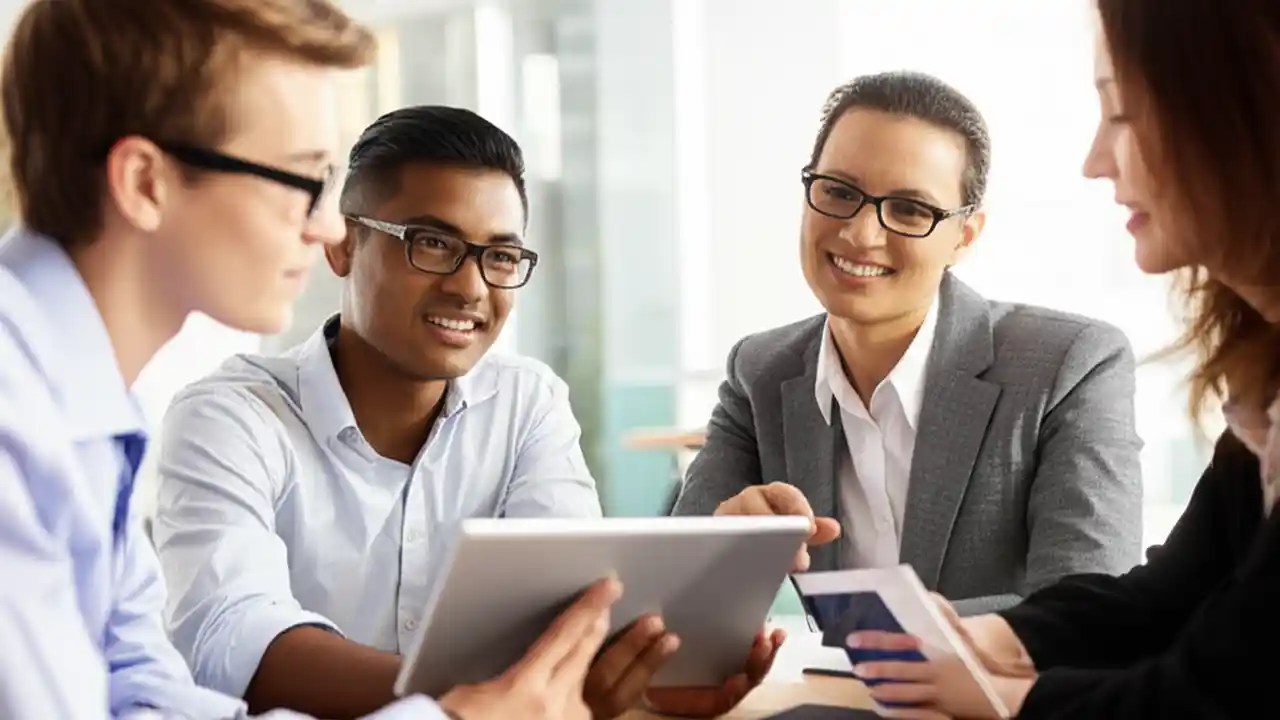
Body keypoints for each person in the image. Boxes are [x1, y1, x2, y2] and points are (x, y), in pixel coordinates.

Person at [0, 2, 626, 719]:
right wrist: (461, 714)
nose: (329, 226)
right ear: (146, 182)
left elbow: (146, 702)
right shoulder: (16, 416)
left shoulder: (83, 412)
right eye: (302, 179)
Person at [153, 104, 782, 720]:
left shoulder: (527, 402)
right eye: (431, 243)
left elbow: (579, 609)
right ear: (343, 244)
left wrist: (653, 673)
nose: (471, 287)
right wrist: (482, 704)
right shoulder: (229, 417)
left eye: (500, 257)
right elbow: (233, 640)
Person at [847, 2, 1280, 718]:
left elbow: (1222, 693)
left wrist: (1012, 698)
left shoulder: (1072, 358)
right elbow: (1174, 591)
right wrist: (996, 640)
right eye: (835, 193)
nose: (1094, 162)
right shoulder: (1261, 393)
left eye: (1122, 114)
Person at [672, 71, 1144, 615]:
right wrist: (717, 558)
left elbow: (1089, 609)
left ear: (964, 236)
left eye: (910, 210)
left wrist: (877, 632)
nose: (860, 234)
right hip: (827, 696)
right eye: (839, 192)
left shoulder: (1072, 366)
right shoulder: (761, 372)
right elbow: (673, 599)